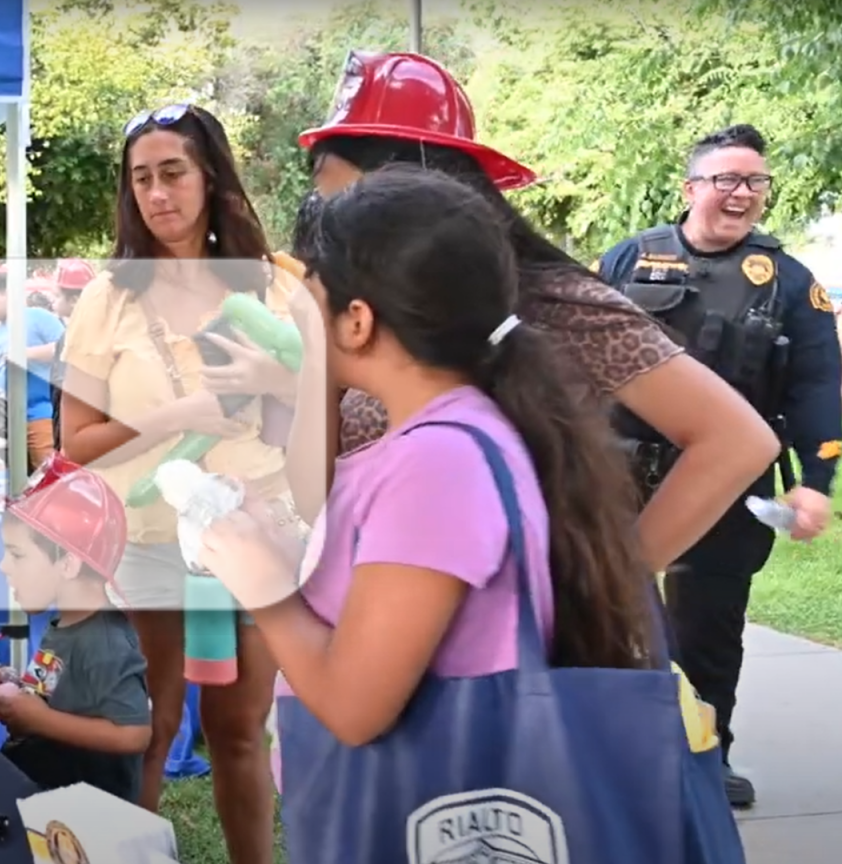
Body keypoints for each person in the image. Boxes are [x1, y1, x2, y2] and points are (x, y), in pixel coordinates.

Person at [193, 165, 682, 864]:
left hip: (425, 818)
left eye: (309, 297)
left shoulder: (437, 463)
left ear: (356, 320)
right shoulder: (454, 435)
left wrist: (261, 583)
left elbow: (356, 707)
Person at [287, 50, 777, 578]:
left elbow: (737, 441)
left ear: (418, 186)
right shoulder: (370, 313)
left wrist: (612, 586)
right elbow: (318, 495)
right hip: (392, 621)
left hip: (525, 648)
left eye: (343, 201)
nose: (330, 230)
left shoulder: (551, 300)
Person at [58, 104, 295, 863]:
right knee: (150, 728)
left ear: (210, 176)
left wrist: (278, 387)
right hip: (150, 541)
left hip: (253, 537)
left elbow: (301, 422)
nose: (158, 195)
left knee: (239, 731)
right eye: (141, 179)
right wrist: (173, 415)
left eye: (173, 173)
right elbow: (76, 441)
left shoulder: (270, 287)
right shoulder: (109, 296)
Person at [594, 123, 842, 806]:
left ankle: (708, 755)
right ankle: (612, 749)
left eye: (754, 181)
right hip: (618, 475)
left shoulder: (790, 282)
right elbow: (575, 360)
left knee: (707, 628)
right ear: (691, 187)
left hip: (728, 485)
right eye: (726, 179)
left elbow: (819, 386)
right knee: (607, 614)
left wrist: (815, 484)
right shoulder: (628, 261)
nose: (741, 193)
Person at [0, 454, 151, 803]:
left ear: (68, 563)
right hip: (45, 790)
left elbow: (134, 735)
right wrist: (10, 688)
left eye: (16, 555)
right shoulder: (64, 623)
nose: (4, 566)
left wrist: (41, 721)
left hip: (86, 816)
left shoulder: (104, 643)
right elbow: (50, 692)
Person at [0, 269, 66, 469]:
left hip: (41, 413)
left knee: (50, 473)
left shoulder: (38, 317)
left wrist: (24, 354)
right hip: (7, 421)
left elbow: (65, 349)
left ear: (8, 293)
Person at [49, 258, 97, 451]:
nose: (52, 301)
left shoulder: (80, 335)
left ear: (75, 300)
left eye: (57, 296)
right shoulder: (76, 331)